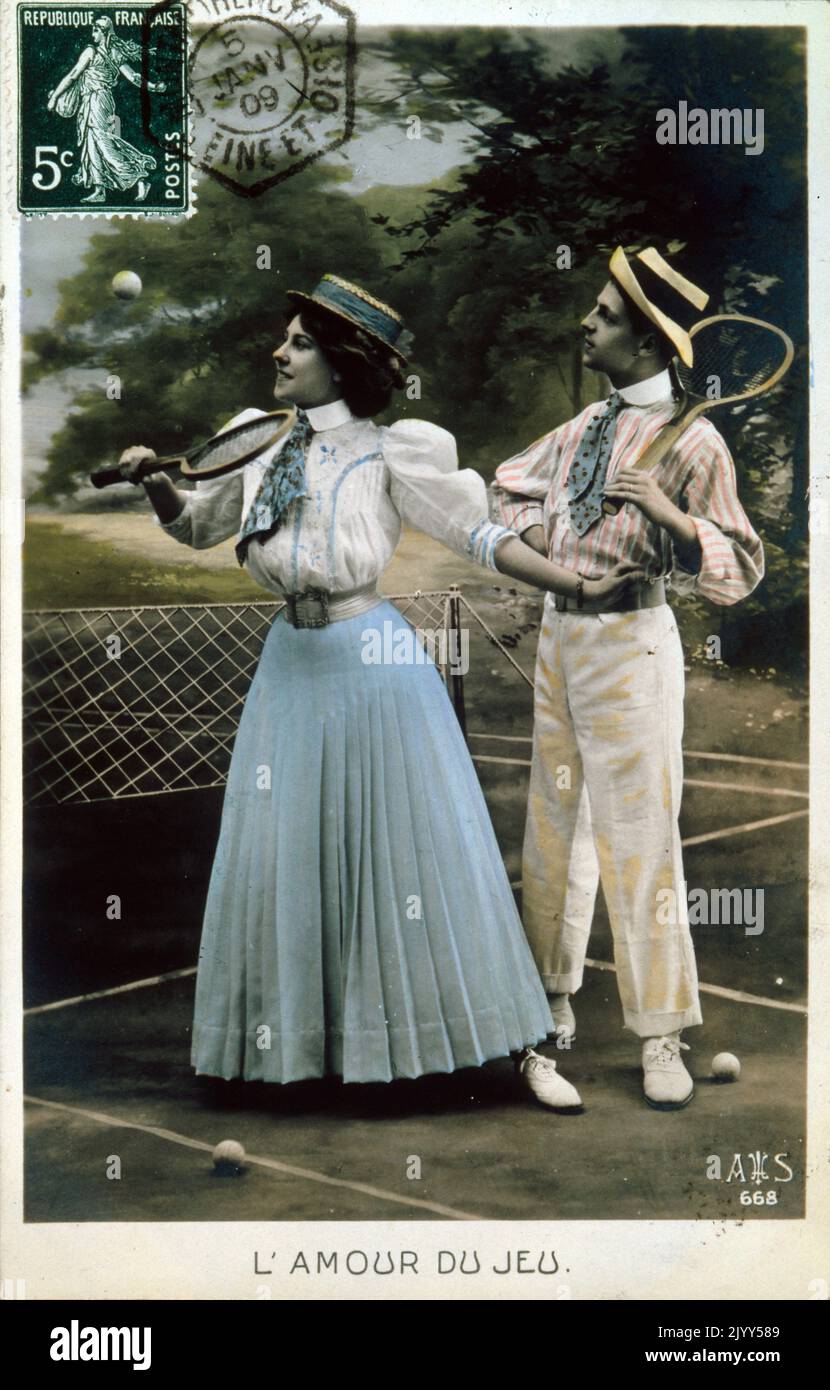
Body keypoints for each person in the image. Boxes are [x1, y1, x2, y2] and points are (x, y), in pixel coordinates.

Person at [116, 273, 640, 1110]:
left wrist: (574, 585)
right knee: (290, 853)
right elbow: (198, 525)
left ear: (341, 361)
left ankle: (510, 1048)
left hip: (376, 667)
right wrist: (154, 482)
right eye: (285, 339)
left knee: (410, 857)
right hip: (290, 665)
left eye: (299, 342)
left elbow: (481, 534)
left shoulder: (396, 451)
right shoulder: (254, 442)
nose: (278, 352)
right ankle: (308, 1056)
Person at [491, 247, 765, 1109]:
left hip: (634, 647)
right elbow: (505, 488)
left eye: (605, 315)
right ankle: (546, 1016)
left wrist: (669, 515)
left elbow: (740, 567)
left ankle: (660, 1035)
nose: (588, 323)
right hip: (559, 644)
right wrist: (553, 558)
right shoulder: (584, 427)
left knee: (639, 840)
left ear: (648, 341)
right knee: (552, 835)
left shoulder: (700, 442)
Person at [46, 16, 165, 204]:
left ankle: (139, 178)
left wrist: (54, 98)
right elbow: (133, 77)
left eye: (95, 30)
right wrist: (152, 86)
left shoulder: (91, 52)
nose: (92, 34)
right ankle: (99, 189)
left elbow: (72, 76)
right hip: (94, 100)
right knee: (92, 143)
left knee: (103, 142)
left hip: (98, 100)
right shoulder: (114, 52)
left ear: (104, 32)